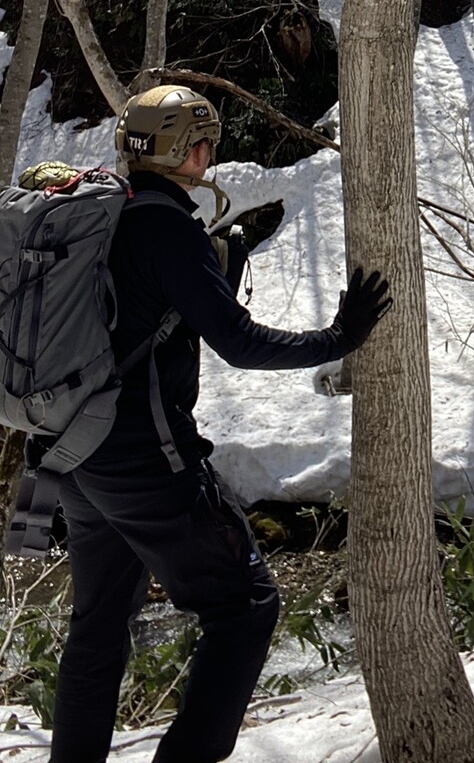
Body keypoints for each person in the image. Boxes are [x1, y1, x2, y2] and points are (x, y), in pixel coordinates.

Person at [47, 85, 391, 763]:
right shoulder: (166, 227)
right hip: (143, 458)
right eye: (206, 142)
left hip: (70, 456)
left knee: (98, 627)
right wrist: (339, 338)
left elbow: (132, 318)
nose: (211, 154)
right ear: (189, 152)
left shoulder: (101, 212)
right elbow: (240, 344)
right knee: (246, 607)